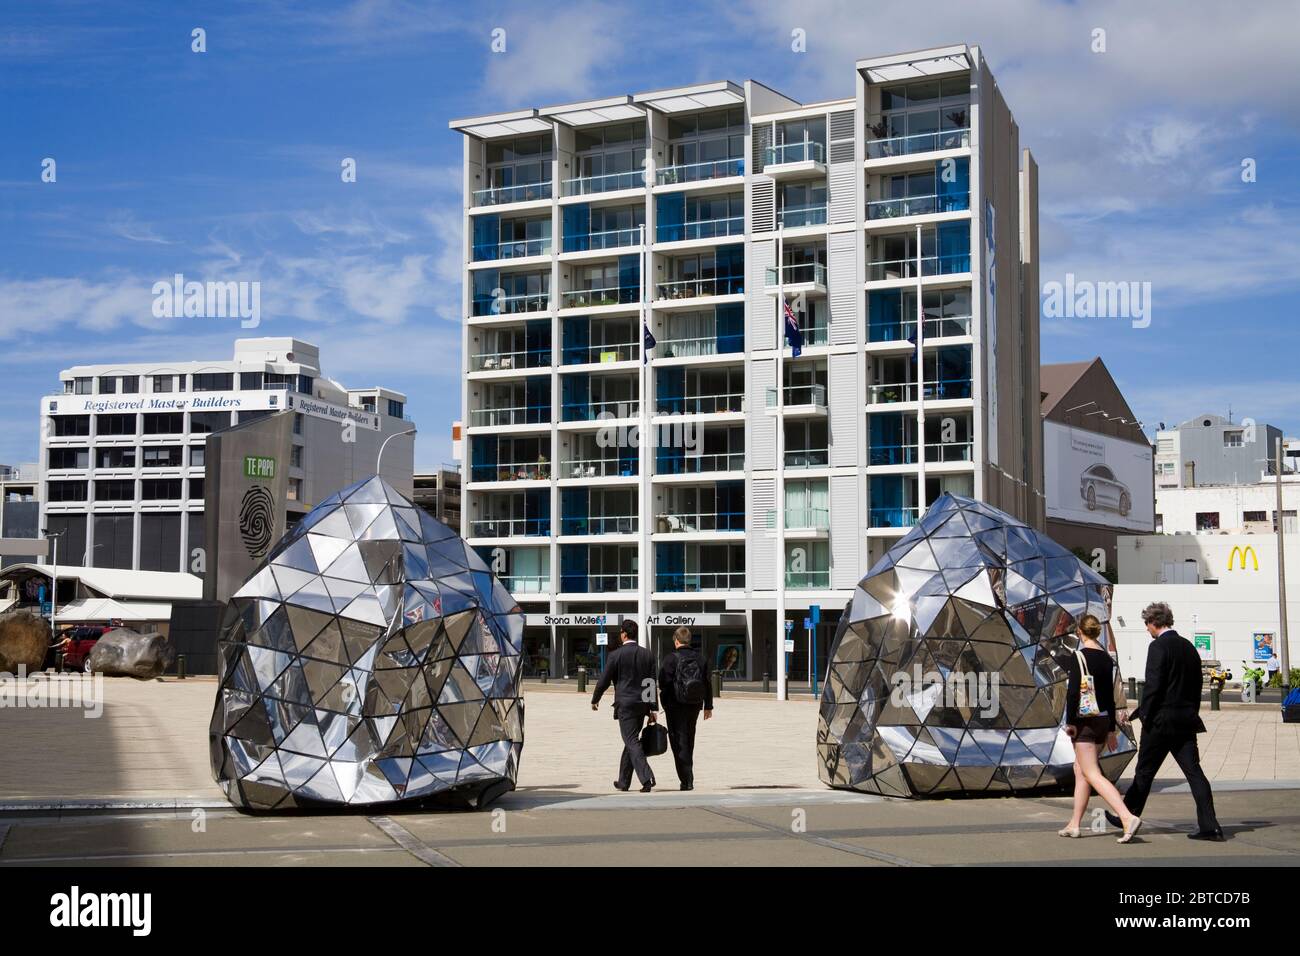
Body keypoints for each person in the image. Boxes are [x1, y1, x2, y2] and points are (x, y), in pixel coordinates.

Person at [1106, 602, 1224, 841]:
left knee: (1144, 772)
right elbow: (1195, 686)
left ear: (1153, 622)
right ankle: (1210, 825)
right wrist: (1190, 711)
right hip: (1185, 720)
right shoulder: (1189, 647)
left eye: (1146, 625)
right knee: (1194, 773)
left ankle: (1127, 816)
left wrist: (1145, 714)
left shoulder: (1158, 647)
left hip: (1160, 722)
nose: (1147, 630)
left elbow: (1153, 685)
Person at [1057, 614, 1142, 843]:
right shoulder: (1106, 658)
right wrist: (1112, 728)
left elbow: (1073, 693)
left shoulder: (1078, 657)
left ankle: (1126, 816)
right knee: (1081, 770)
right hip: (1103, 720)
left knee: (1091, 772)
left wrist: (1071, 723)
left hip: (1084, 722)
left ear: (1080, 632)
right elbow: (1110, 694)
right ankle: (1074, 824)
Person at [590, 620, 658, 792]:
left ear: (624, 634)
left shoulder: (616, 655)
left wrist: (595, 699)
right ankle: (623, 781)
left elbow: (604, 680)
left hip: (626, 705)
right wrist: (652, 708)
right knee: (631, 740)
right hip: (642, 705)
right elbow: (650, 683)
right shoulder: (647, 655)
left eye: (621, 632)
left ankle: (646, 778)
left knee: (631, 741)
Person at [657, 626, 714, 791]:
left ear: (676, 640)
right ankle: (687, 776)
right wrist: (708, 706)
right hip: (694, 705)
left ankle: (686, 779)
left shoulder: (670, 659)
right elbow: (707, 683)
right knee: (689, 739)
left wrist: (664, 703)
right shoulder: (700, 659)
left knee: (678, 741)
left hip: (675, 706)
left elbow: (663, 683)